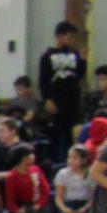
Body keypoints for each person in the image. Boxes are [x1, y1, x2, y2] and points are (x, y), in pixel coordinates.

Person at [38, 22, 84, 151]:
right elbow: (43, 79)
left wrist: (83, 60)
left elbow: (78, 76)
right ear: (59, 36)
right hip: (56, 99)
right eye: (69, 37)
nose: (72, 40)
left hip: (72, 99)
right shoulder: (47, 56)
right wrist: (46, 99)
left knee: (71, 132)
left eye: (74, 37)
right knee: (55, 133)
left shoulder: (76, 55)